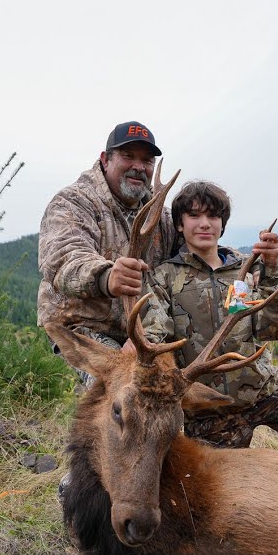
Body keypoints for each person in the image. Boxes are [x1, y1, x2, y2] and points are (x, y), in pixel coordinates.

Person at [140, 180, 278, 450]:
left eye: (213, 215)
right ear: (180, 225)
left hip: (264, 390)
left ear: (222, 223)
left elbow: (271, 330)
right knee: (213, 491)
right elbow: (156, 337)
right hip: (210, 411)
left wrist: (271, 271)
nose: (205, 223)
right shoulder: (163, 278)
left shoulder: (246, 268)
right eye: (194, 215)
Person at [37, 120, 176, 389]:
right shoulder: (73, 201)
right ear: (105, 159)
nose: (138, 166)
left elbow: (189, 255)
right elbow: (63, 257)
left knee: (167, 390)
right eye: (128, 156)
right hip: (81, 326)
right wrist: (106, 276)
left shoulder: (160, 214)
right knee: (118, 388)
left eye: (146, 160)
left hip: (141, 329)